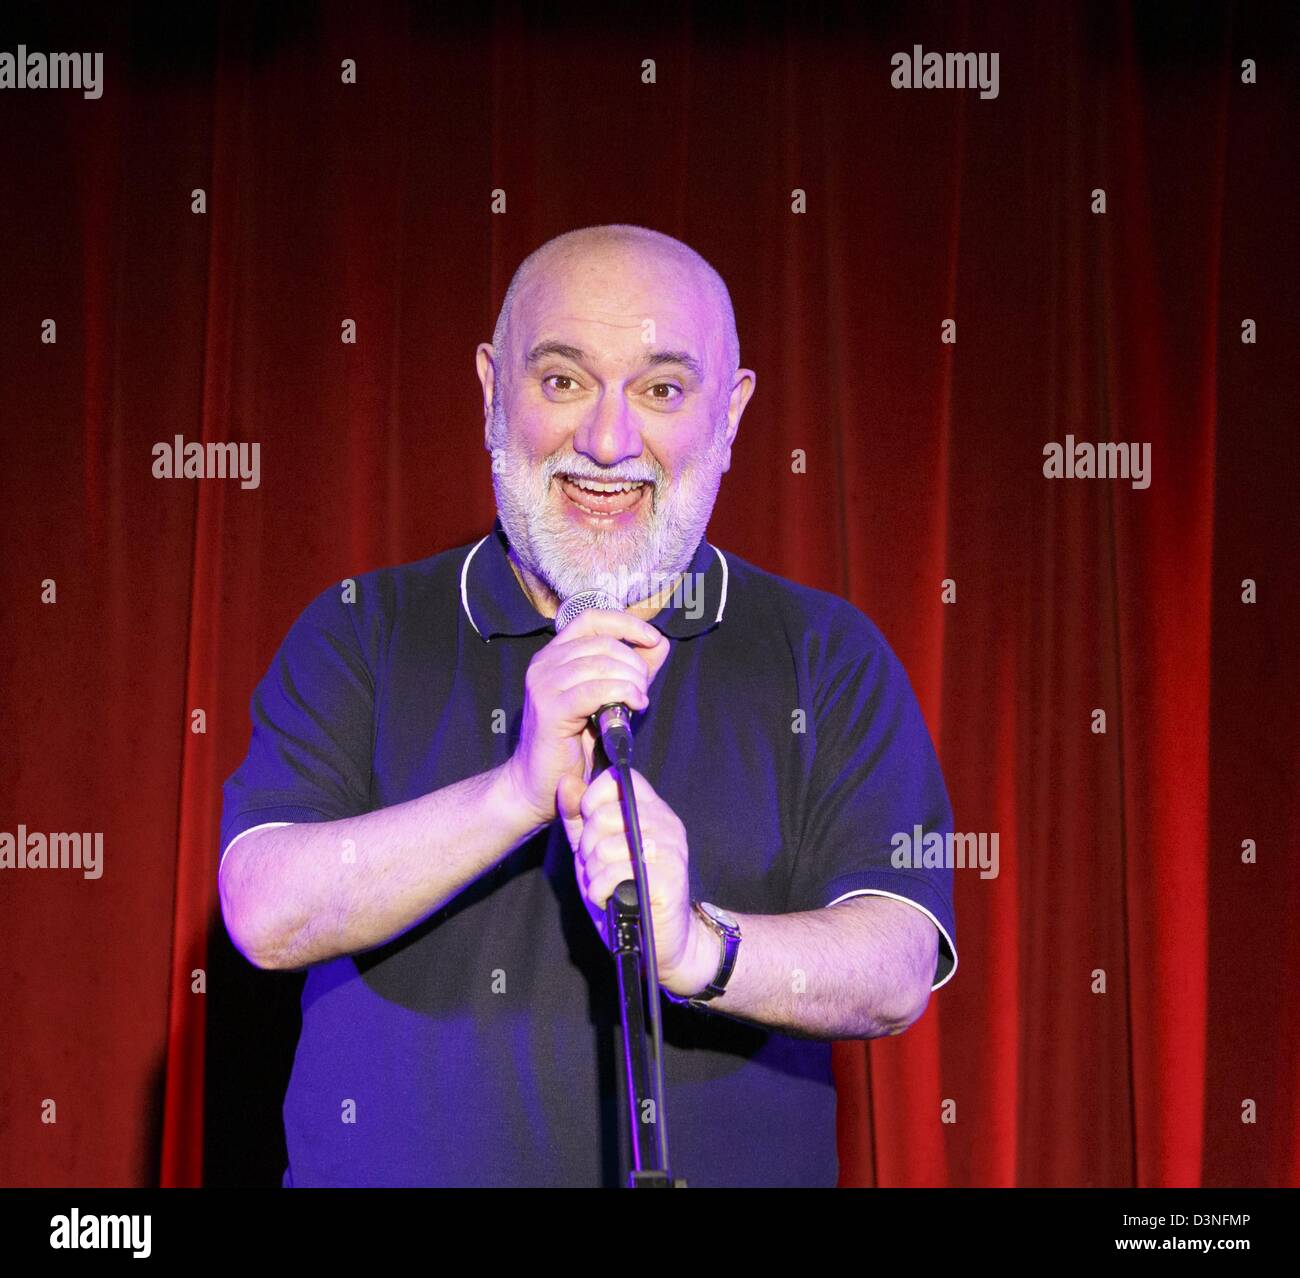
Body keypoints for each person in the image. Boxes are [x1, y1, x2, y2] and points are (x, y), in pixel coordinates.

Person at [217, 224, 958, 1188]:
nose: (608, 442)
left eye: (660, 390)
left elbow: (897, 963)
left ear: (730, 416)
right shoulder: (364, 629)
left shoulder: (826, 653)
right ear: (492, 392)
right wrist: (517, 792)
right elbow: (265, 910)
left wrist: (694, 947)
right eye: (563, 380)